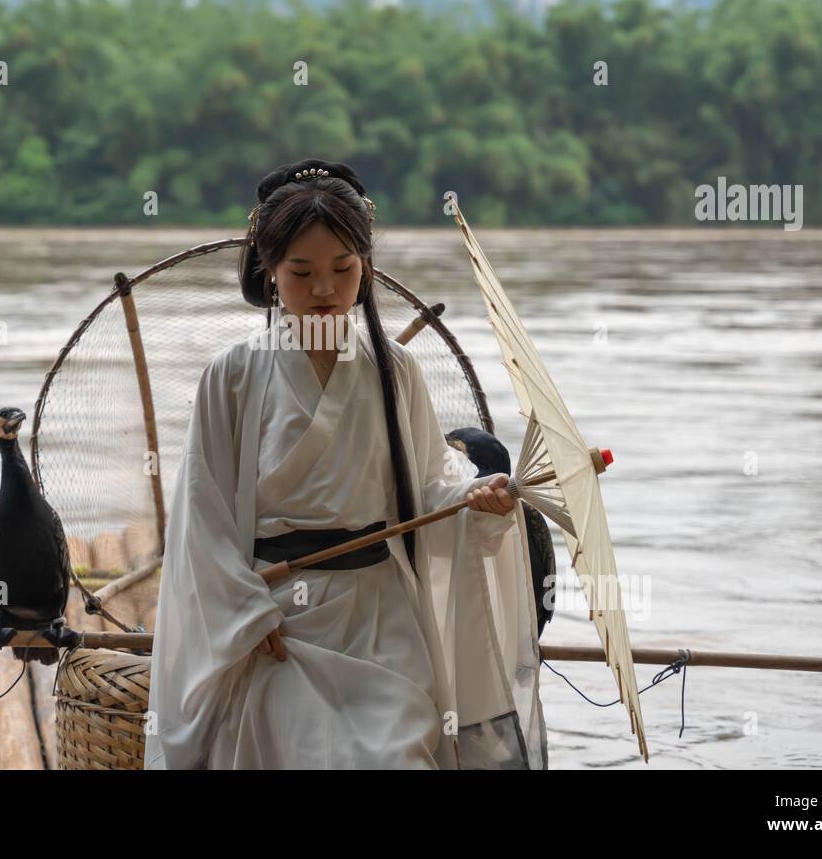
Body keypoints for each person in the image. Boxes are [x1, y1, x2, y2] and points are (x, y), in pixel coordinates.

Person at [143, 158, 548, 769]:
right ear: (270, 272)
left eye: (343, 269)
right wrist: (244, 614)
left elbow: (432, 487)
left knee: (398, 755)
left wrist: (477, 503)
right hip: (274, 618)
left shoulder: (396, 368)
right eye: (301, 272)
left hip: (379, 611)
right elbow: (202, 516)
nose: (325, 290)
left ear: (365, 267)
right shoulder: (233, 375)